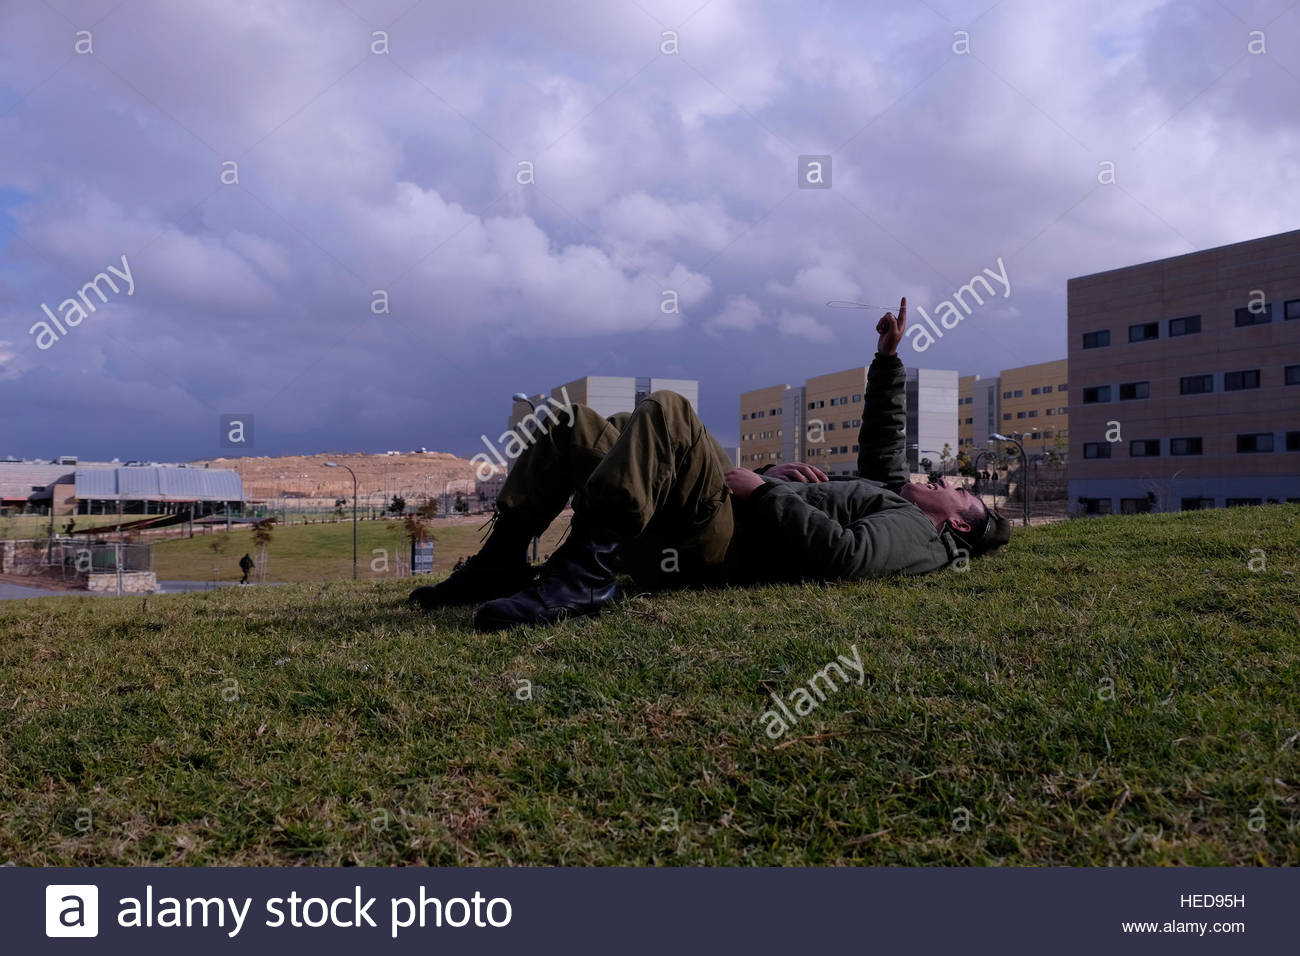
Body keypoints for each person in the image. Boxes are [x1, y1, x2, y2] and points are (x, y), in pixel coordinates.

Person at [409, 297, 1010, 630]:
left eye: (960, 493)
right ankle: (501, 561)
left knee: (670, 411)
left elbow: (846, 558)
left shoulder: (922, 539)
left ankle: (587, 577)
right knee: (575, 423)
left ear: (958, 523)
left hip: (719, 543)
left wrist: (759, 492)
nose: (945, 481)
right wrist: (886, 360)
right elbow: (882, 444)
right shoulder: (898, 497)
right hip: (714, 519)